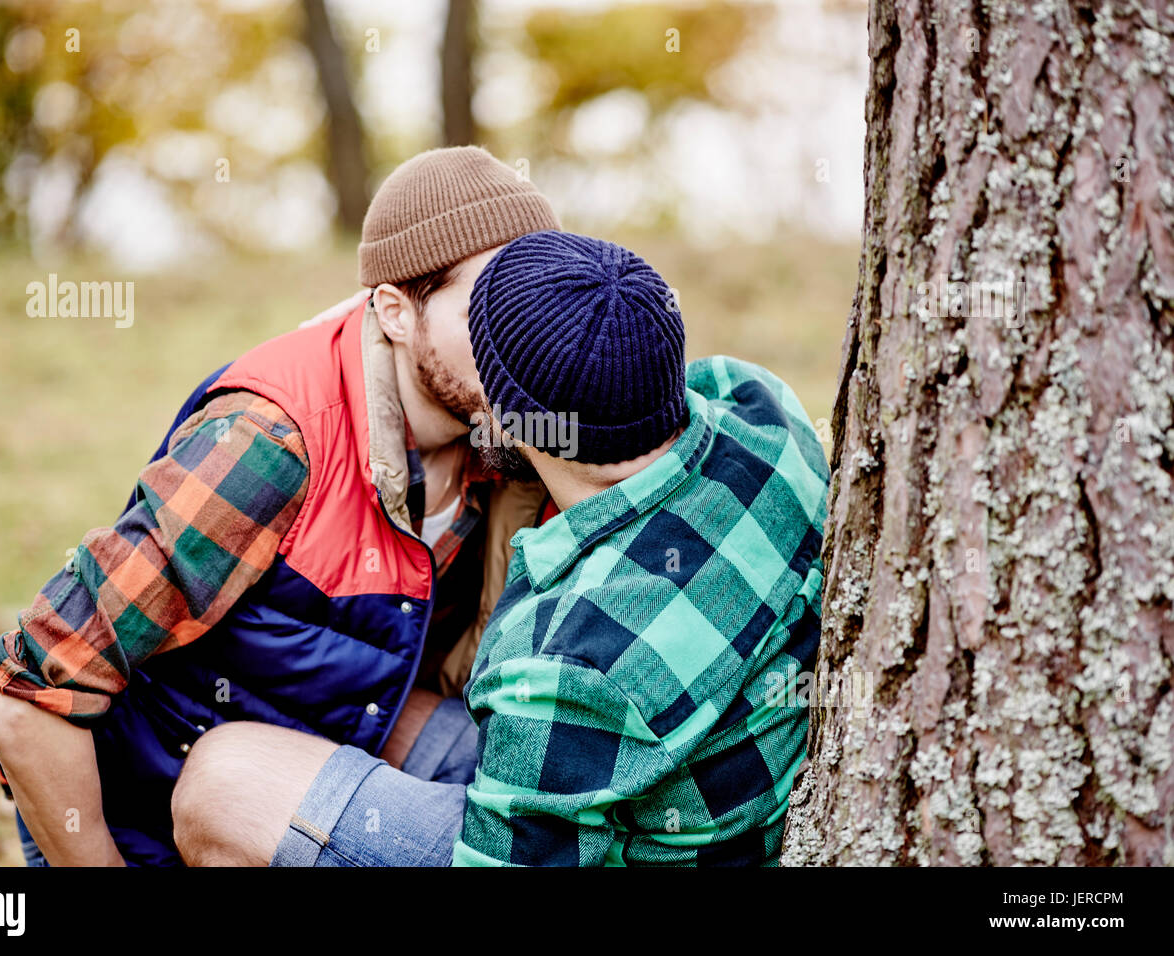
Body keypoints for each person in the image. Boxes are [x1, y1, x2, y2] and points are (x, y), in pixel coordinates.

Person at [169, 230, 831, 866]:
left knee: (225, 784)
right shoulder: (759, 408)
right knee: (374, 717)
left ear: (515, 420)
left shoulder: (565, 658)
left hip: (617, 846)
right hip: (685, 786)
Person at [0, 146, 560, 866]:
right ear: (395, 312)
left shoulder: (505, 432)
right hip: (154, 823)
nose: (528, 335)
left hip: (327, 738)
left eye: (537, 300)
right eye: (490, 304)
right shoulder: (272, 442)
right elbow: (24, 695)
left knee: (537, 784)